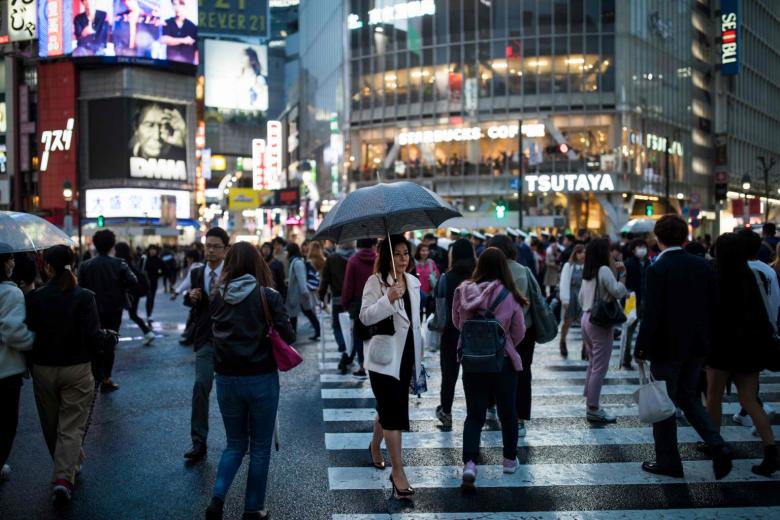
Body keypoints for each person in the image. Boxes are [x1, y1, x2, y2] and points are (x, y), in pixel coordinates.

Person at [634, 215, 733, 480]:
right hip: (698, 346)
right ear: (685, 236)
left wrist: (641, 349)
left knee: (664, 403)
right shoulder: (702, 265)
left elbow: (651, 313)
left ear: (658, 237)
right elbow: (715, 306)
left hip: (667, 347)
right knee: (689, 398)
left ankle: (669, 460)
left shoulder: (657, 268)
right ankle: (717, 443)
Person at [204, 243, 294, 520]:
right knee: (259, 446)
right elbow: (288, 336)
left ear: (230, 264)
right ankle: (253, 508)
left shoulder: (217, 295)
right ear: (258, 264)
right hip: (261, 378)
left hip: (227, 379)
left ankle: (217, 499)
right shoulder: (267, 295)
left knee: (234, 443)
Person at [26, 245, 118, 506]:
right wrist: (105, 339)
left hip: (43, 368)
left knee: (52, 424)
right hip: (77, 368)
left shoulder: (35, 298)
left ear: (47, 267)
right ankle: (65, 476)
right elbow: (92, 335)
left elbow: (28, 333)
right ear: (73, 264)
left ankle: (63, 474)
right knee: (71, 426)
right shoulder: (85, 296)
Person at [453, 247, 527, 490]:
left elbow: (457, 323)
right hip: (502, 362)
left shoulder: (463, 291)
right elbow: (519, 331)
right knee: (508, 413)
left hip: (472, 362)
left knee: (474, 415)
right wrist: (502, 343)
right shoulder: (510, 295)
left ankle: (470, 464)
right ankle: (508, 459)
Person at [705, 232, 778, 477]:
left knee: (714, 395)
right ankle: (770, 450)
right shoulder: (752, 276)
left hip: (721, 347)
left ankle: (715, 445)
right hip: (749, 347)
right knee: (749, 399)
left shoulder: (715, 277)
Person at [361, 234, 423, 498]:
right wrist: (387, 298)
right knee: (393, 412)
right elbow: (365, 316)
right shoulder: (374, 282)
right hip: (384, 360)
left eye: (406, 253)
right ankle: (398, 472)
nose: (403, 259)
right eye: (397, 254)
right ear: (387, 256)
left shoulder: (414, 282)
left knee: (389, 408)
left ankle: (375, 445)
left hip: (407, 356)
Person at [486, 235, 541, 439]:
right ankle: (519, 420)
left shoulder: (487, 272)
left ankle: (492, 405)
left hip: (495, 332)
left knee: (494, 370)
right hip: (524, 332)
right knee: (523, 374)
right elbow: (526, 302)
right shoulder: (522, 271)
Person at [183, 227, 229, 462]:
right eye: (207, 246)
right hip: (204, 339)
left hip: (230, 341)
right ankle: (198, 441)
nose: (210, 250)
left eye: (215, 246)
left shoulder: (232, 274)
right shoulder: (197, 272)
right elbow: (190, 300)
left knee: (232, 391)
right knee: (201, 385)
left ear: (225, 249)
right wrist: (189, 298)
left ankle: (241, 438)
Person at [77, 229, 138, 392]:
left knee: (94, 341)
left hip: (92, 309)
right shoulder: (119, 263)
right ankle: (105, 378)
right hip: (114, 307)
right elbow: (133, 281)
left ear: (95, 244)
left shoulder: (85, 265)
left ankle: (94, 375)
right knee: (110, 342)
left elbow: (79, 287)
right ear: (112, 244)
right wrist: (120, 287)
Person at [579, 238, 627, 423]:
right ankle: (593, 407)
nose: (610, 253)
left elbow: (581, 296)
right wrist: (622, 274)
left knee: (593, 363)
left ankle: (590, 402)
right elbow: (618, 292)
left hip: (586, 317)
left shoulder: (588, 272)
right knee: (600, 366)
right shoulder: (604, 270)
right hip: (599, 321)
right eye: (607, 250)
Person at [0, 247, 35, 484]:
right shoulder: (11, 294)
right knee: (6, 426)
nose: (13, 263)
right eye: (10, 259)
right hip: (6, 371)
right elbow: (13, 331)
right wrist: (34, 340)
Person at [434, 239, 476, 429]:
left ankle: (446, 413)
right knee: (474, 377)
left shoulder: (446, 278)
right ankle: (476, 414)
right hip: (475, 336)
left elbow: (440, 314)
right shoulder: (479, 277)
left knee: (449, 376)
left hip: (451, 334)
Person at [340, 238, 377, 376]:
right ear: (372, 245)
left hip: (358, 303)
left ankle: (362, 365)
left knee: (359, 335)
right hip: (376, 300)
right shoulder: (378, 259)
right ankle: (376, 363)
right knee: (375, 332)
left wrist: (345, 302)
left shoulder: (353, 261)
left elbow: (348, 284)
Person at [114, 242, 155, 346]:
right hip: (134, 293)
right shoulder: (128, 262)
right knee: (132, 315)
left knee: (121, 315)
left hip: (129, 293)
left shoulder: (121, 263)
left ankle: (113, 338)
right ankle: (147, 332)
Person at [319, 241, 355, 353]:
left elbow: (325, 280)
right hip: (354, 298)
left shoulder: (332, 258)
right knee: (353, 326)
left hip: (337, 298)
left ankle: (343, 347)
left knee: (337, 325)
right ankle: (351, 350)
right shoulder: (355, 258)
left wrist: (321, 296)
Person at [621, 238, 650, 369]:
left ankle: (642, 355)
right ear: (633, 250)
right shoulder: (628, 263)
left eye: (643, 246)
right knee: (629, 330)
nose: (642, 249)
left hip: (646, 300)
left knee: (645, 330)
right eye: (639, 247)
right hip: (632, 300)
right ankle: (626, 357)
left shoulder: (650, 263)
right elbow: (623, 282)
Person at [285, 243, 321, 341]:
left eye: (287, 250)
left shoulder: (297, 263)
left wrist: (305, 292)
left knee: (304, 313)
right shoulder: (295, 261)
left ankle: (317, 331)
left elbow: (301, 279)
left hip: (299, 294)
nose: (286, 253)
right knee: (297, 314)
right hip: (298, 294)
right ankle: (295, 334)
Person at [558, 244, 586, 358]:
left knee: (584, 324)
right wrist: (564, 299)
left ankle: (585, 348)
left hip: (583, 297)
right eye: (579, 252)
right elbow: (564, 283)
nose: (582, 255)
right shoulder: (568, 266)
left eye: (584, 252)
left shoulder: (587, 266)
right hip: (570, 296)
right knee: (567, 322)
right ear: (575, 253)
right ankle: (562, 342)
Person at [414, 242, 440, 319]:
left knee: (429, 315)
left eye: (426, 250)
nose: (425, 253)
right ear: (418, 251)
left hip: (430, 294)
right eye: (422, 250)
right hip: (418, 293)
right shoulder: (414, 263)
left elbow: (437, 275)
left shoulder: (431, 262)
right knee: (419, 315)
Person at [142, 245, 165, 325]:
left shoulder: (158, 260)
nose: (152, 251)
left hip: (154, 282)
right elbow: (141, 269)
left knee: (152, 298)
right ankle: (148, 315)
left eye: (153, 250)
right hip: (146, 282)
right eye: (151, 250)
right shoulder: (145, 259)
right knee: (149, 298)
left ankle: (149, 315)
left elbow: (164, 269)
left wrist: (158, 274)